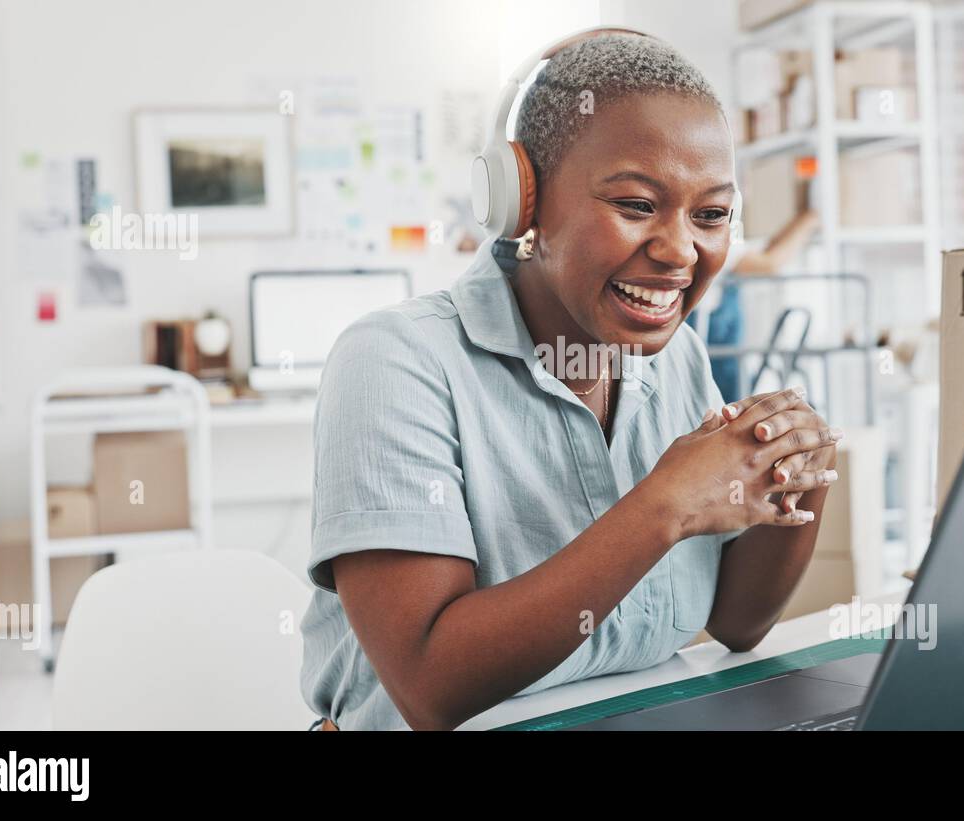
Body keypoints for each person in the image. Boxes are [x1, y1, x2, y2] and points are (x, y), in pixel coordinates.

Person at [300, 30, 841, 730]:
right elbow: (431, 687)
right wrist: (663, 504)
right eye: (637, 205)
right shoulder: (395, 362)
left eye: (710, 215)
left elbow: (738, 622)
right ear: (525, 204)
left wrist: (800, 478)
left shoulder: (677, 362)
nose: (680, 250)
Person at [687, 207, 820, 401]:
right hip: (710, 344)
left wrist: (801, 217)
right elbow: (770, 263)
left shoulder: (720, 237)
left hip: (719, 343)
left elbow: (768, 250)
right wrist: (810, 219)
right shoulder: (714, 241)